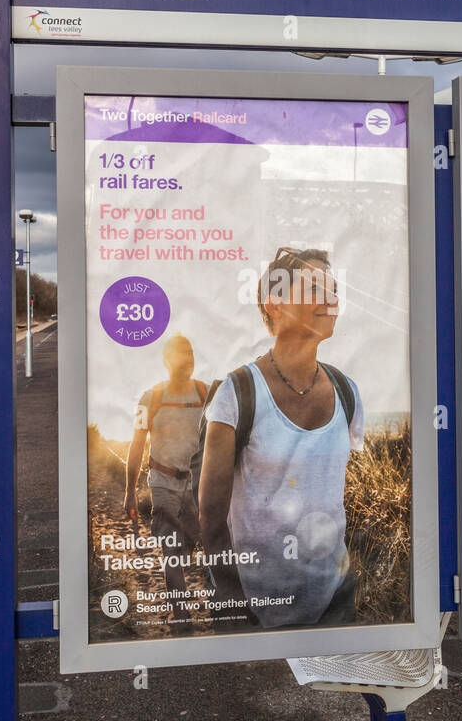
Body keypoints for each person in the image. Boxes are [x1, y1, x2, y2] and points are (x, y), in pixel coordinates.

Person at [197, 246, 363, 629]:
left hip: (333, 599)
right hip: (252, 603)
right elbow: (210, 516)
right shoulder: (237, 392)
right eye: (314, 288)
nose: (331, 299)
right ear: (274, 304)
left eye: (333, 289)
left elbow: (333, 492)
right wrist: (233, 600)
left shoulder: (346, 390)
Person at [124, 333, 207, 596]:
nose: (187, 359)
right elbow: (136, 445)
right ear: (166, 360)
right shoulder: (150, 398)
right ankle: (181, 617)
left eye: (191, 353)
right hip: (162, 484)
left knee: (189, 545)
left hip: (197, 486)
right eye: (181, 354)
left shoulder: (206, 393)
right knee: (171, 552)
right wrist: (129, 491)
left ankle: (178, 577)